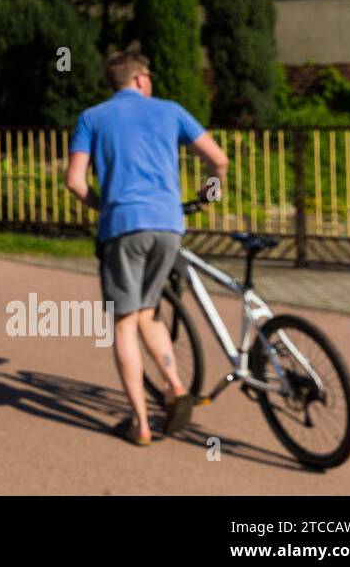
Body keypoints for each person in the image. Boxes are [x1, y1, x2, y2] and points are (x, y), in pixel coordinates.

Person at [65, 51, 228, 446]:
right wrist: (211, 188)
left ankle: (139, 422)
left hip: (122, 226)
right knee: (147, 313)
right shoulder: (171, 111)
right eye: (149, 76)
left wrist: (103, 205)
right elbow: (218, 159)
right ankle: (174, 384)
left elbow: (74, 181)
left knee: (123, 323)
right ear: (140, 79)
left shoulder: (92, 118)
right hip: (169, 225)